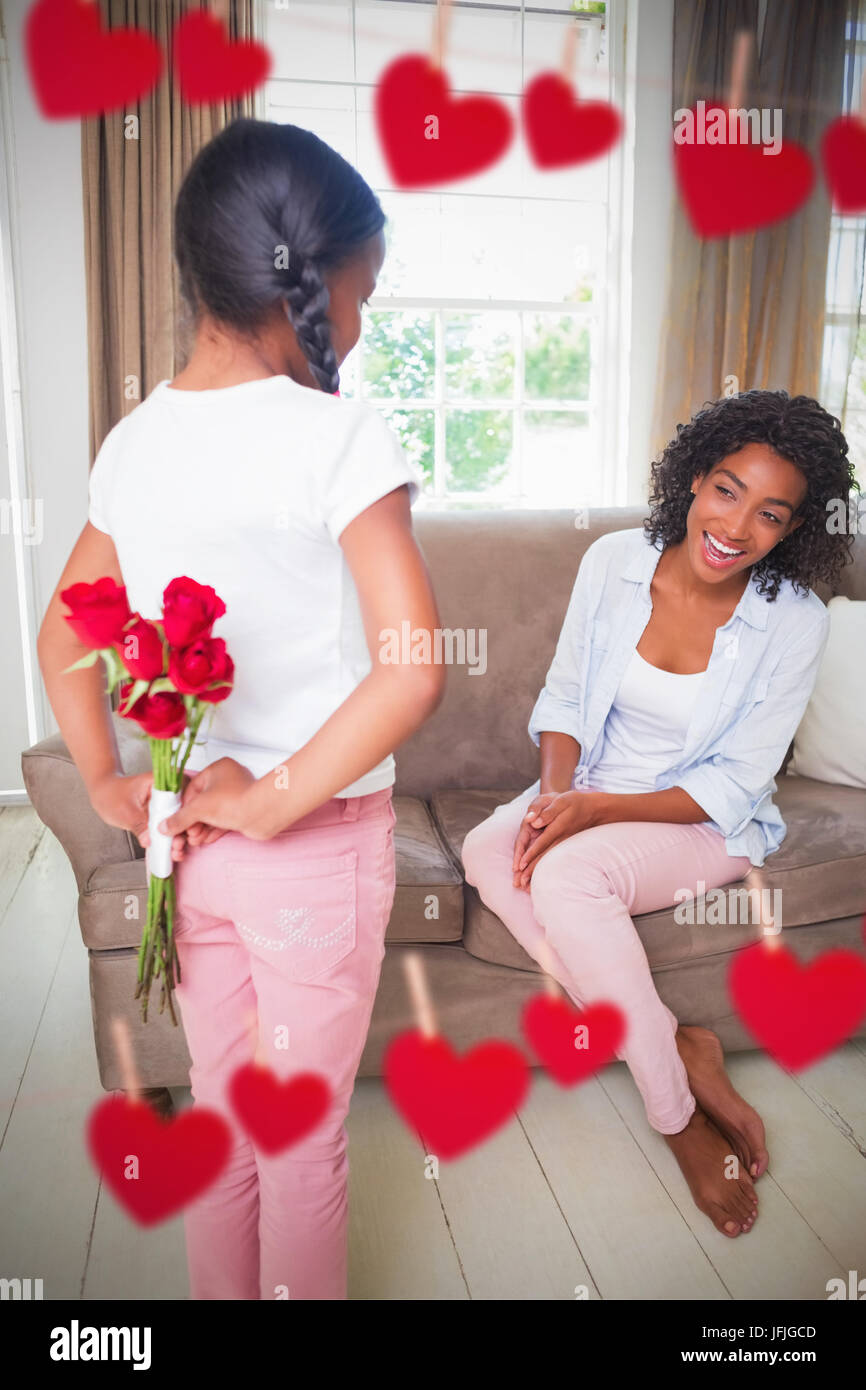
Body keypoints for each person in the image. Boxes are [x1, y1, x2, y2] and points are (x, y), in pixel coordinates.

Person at [37, 118, 445, 1300]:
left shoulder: (133, 441)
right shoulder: (341, 435)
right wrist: (269, 803)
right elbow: (411, 664)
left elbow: (65, 635)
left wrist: (116, 784)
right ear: (308, 289)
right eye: (360, 297)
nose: (358, 328)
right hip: (301, 847)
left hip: (183, 835)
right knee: (299, 1139)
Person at [460, 389, 858, 1240]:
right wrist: (559, 797)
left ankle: (676, 1120)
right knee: (487, 850)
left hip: (701, 820)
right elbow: (566, 695)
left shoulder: (797, 623)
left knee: (565, 877)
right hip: (593, 783)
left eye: (770, 512)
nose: (736, 525)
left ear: (793, 529)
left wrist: (593, 814)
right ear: (692, 480)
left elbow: (738, 780)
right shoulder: (612, 561)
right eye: (725, 489)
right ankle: (677, 1041)